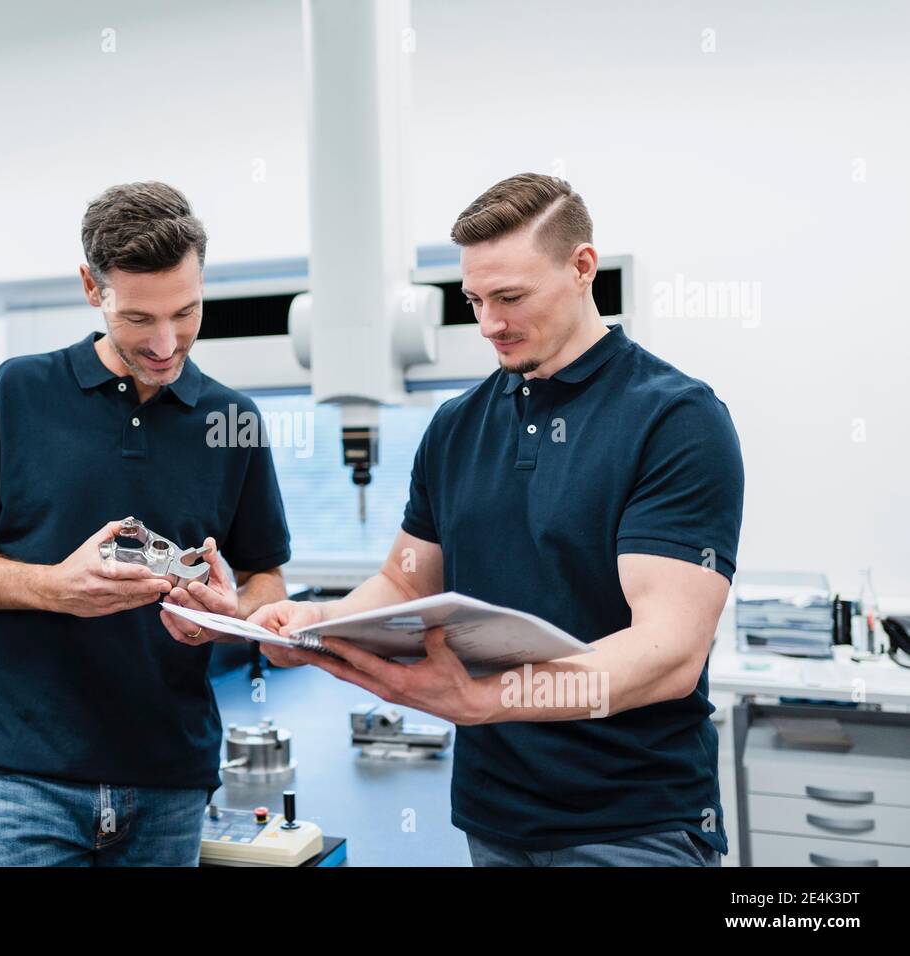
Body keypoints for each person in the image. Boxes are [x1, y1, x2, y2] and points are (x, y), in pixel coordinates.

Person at [251, 172, 744, 867]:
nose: (489, 324)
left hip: (632, 824)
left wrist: (488, 699)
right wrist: (315, 623)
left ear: (582, 267)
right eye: (475, 301)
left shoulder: (674, 419)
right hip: (494, 819)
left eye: (510, 297)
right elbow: (405, 582)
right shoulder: (456, 426)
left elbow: (668, 655)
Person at [0, 181, 290, 866]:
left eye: (186, 312)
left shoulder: (233, 421)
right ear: (92, 287)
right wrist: (52, 587)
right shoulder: (19, 393)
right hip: (23, 775)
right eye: (140, 318)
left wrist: (230, 616)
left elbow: (267, 580)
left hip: (170, 778)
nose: (166, 344)